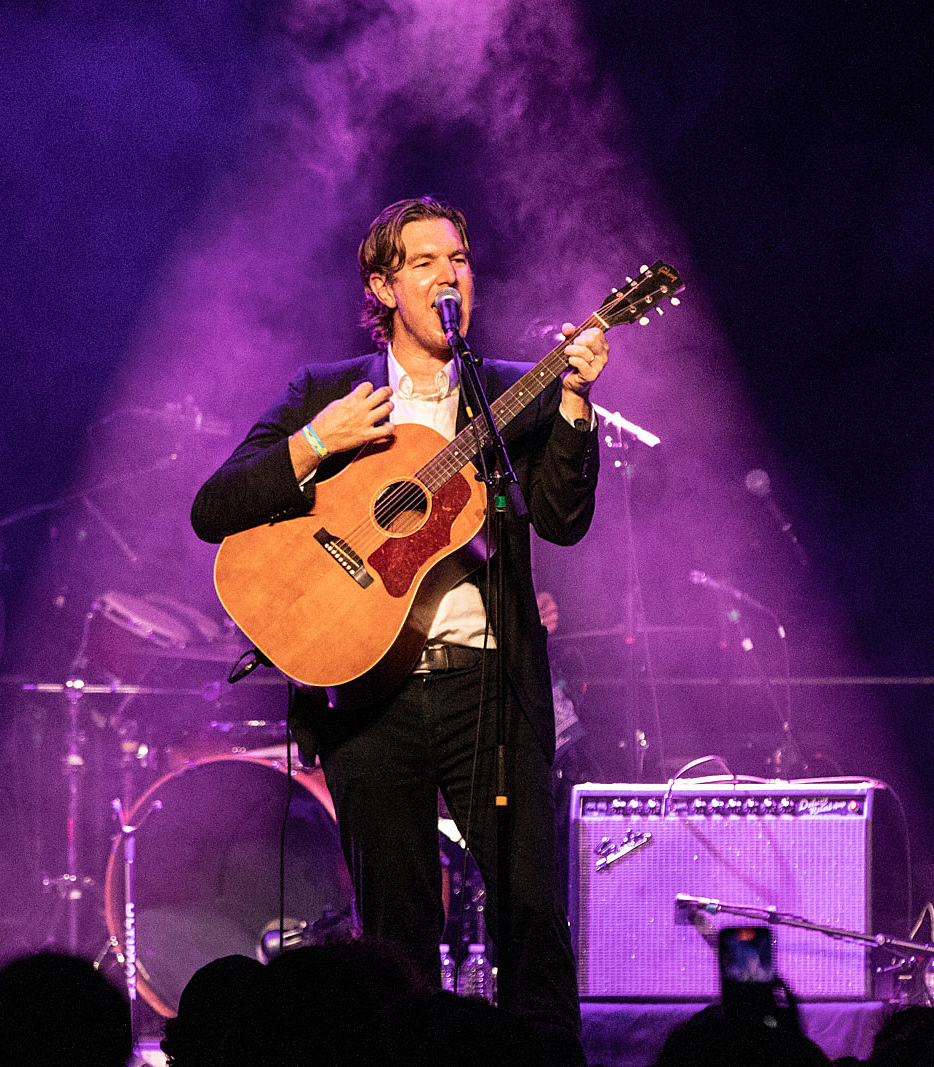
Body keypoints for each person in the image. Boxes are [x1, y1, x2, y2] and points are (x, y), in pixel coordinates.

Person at [191, 195, 607, 1064]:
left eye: (458, 258)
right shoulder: (325, 391)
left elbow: (563, 518)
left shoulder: (501, 395)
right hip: (368, 696)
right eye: (423, 262)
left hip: (487, 683)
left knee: (530, 906)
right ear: (381, 286)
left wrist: (572, 405)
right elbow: (214, 507)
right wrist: (312, 443)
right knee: (398, 929)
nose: (449, 274)